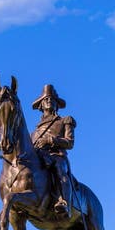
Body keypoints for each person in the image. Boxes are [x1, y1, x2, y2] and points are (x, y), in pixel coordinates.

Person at [31, 84, 76, 219]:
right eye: (46, 99)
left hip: (57, 156)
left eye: (51, 99)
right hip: (40, 157)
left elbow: (70, 143)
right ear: (41, 105)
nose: (49, 101)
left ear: (56, 104)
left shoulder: (65, 121)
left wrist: (51, 140)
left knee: (59, 169)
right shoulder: (34, 132)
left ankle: (64, 202)